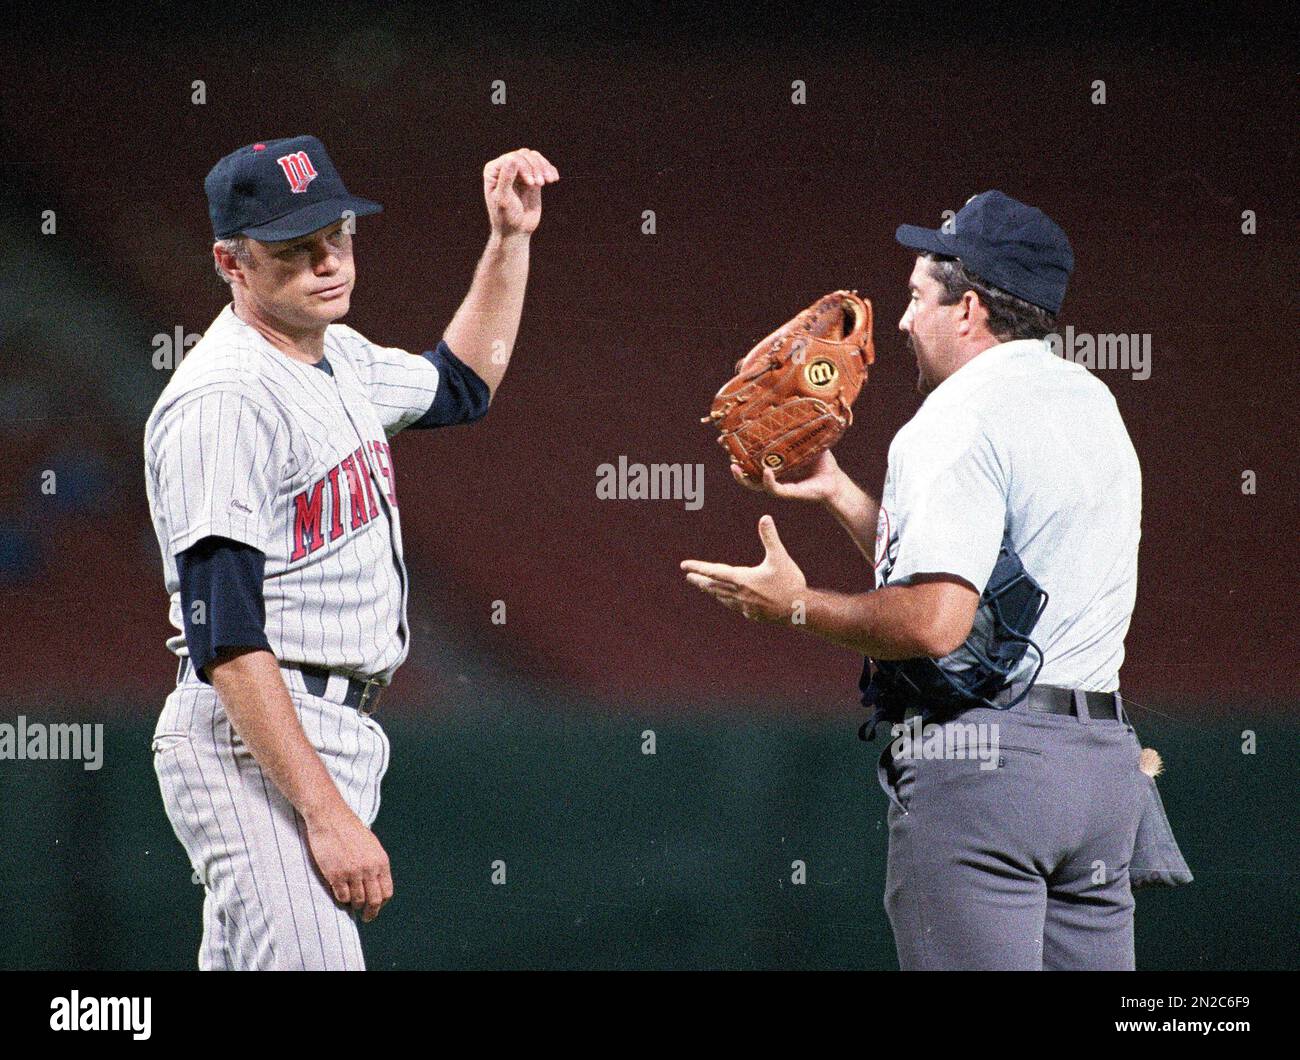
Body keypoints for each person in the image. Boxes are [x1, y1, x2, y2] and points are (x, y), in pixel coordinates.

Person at [682, 190, 1154, 970]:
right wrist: (837, 489)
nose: (899, 321)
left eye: (914, 296)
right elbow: (986, 594)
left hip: (989, 769)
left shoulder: (953, 417)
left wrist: (796, 607)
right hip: (1101, 772)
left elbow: (939, 622)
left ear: (967, 309)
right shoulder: (1092, 402)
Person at [143, 135, 558, 969]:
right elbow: (224, 633)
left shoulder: (338, 355)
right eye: (295, 249)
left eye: (338, 234)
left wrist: (508, 241)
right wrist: (326, 814)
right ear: (231, 261)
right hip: (251, 737)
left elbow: (463, 384)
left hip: (320, 730)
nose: (328, 262)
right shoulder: (225, 397)